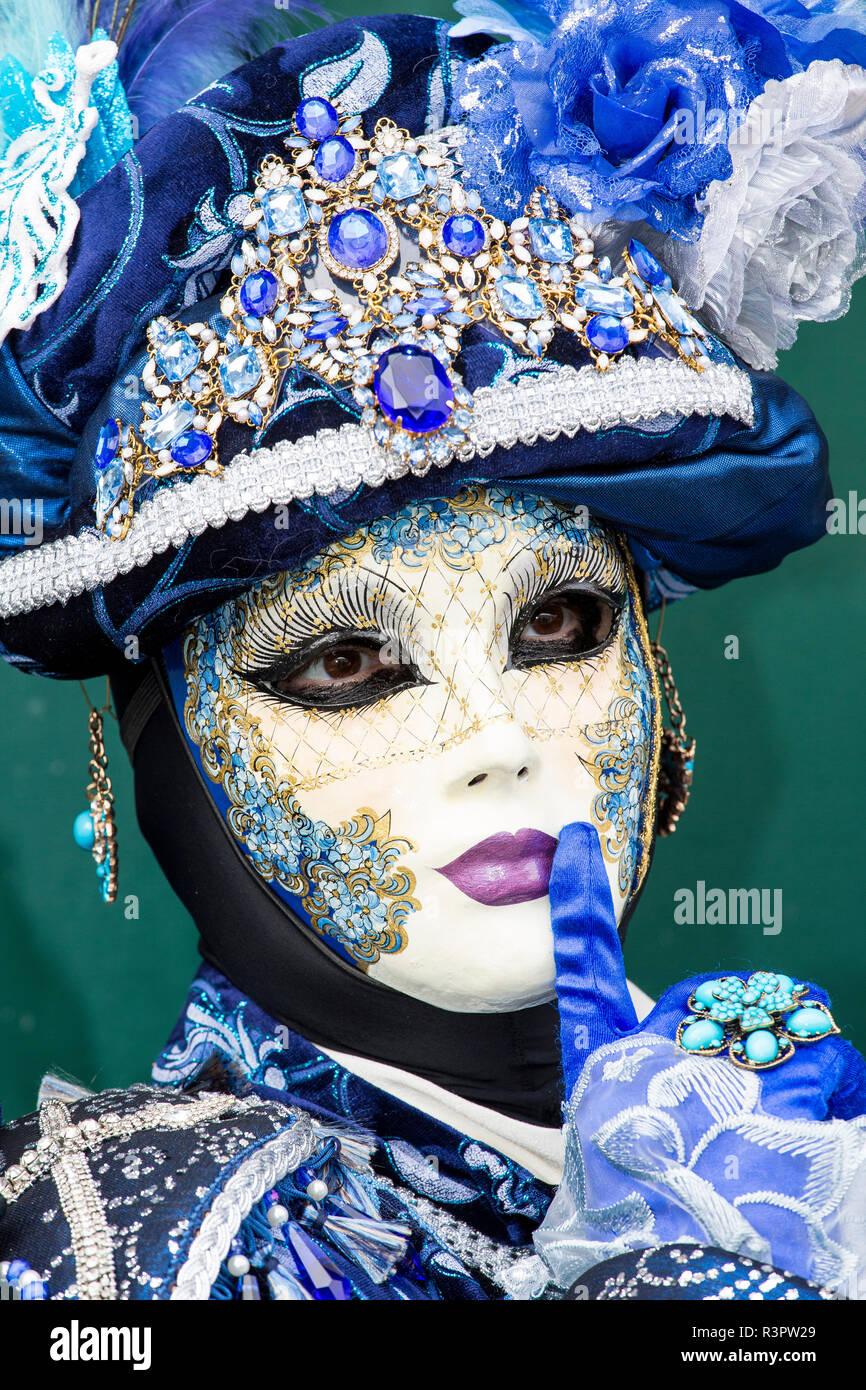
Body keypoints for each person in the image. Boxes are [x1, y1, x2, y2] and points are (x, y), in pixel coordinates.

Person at [0, 0, 865, 1302]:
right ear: (160, 742)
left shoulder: (767, 1141)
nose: (501, 743)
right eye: (344, 664)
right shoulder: (136, 1249)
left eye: (557, 624)